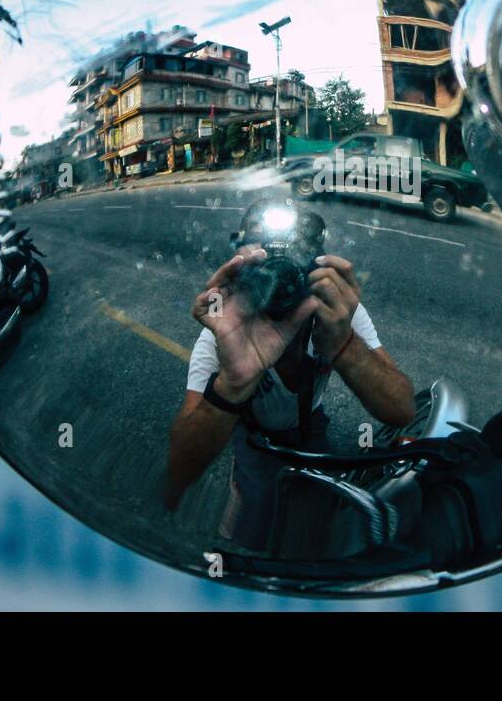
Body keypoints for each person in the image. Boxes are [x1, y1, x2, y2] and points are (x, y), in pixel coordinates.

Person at [166, 200, 414, 550]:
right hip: (253, 434)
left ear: (317, 264)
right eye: (264, 263)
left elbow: (402, 409)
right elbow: (179, 467)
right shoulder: (224, 333)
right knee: (252, 522)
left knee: (319, 518)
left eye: (292, 259)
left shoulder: (333, 313)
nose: (279, 278)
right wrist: (233, 383)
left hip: (310, 423)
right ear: (241, 267)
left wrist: (344, 345)